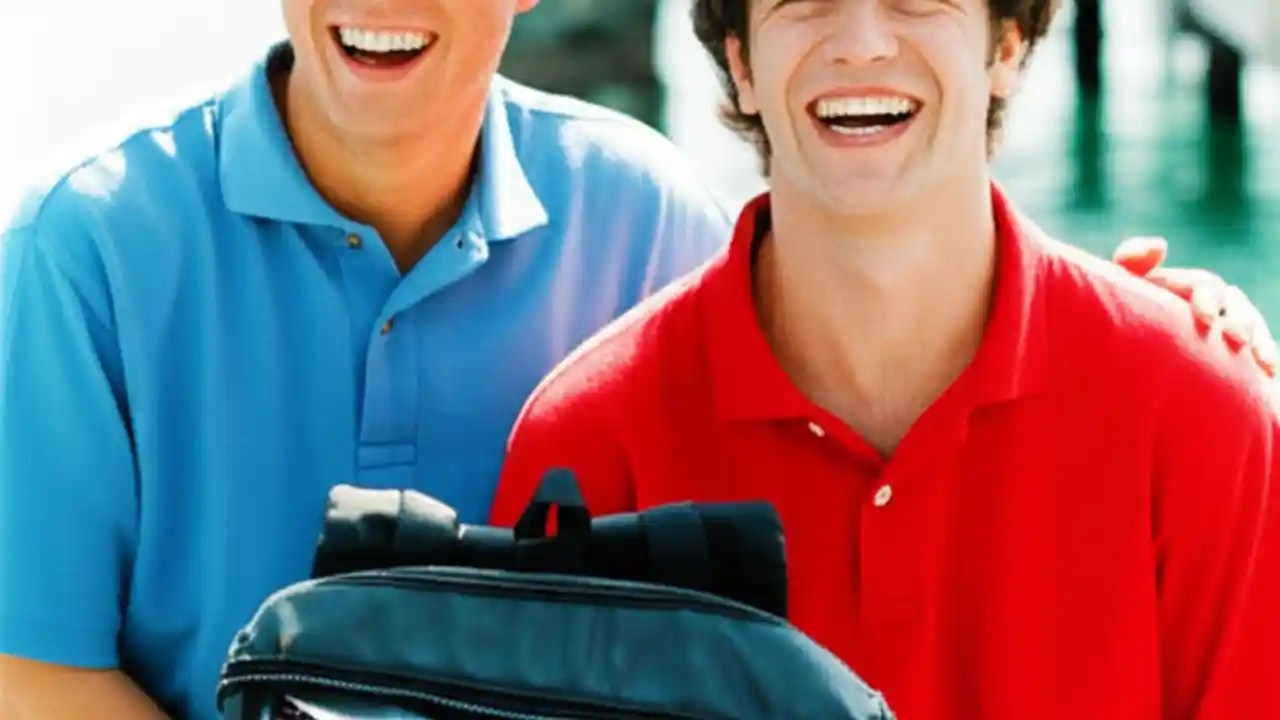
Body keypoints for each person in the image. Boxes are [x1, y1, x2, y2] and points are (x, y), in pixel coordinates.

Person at [0, 0, 1269, 718]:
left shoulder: (643, 218)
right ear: (734, 54)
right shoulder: (86, 252)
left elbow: (851, 285)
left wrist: (1166, 349)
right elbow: (33, 671)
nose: (862, 38)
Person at [490, 0, 1280, 718]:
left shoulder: (1205, 422)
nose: (861, 43)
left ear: (1006, 44)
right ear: (741, 62)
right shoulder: (590, 448)